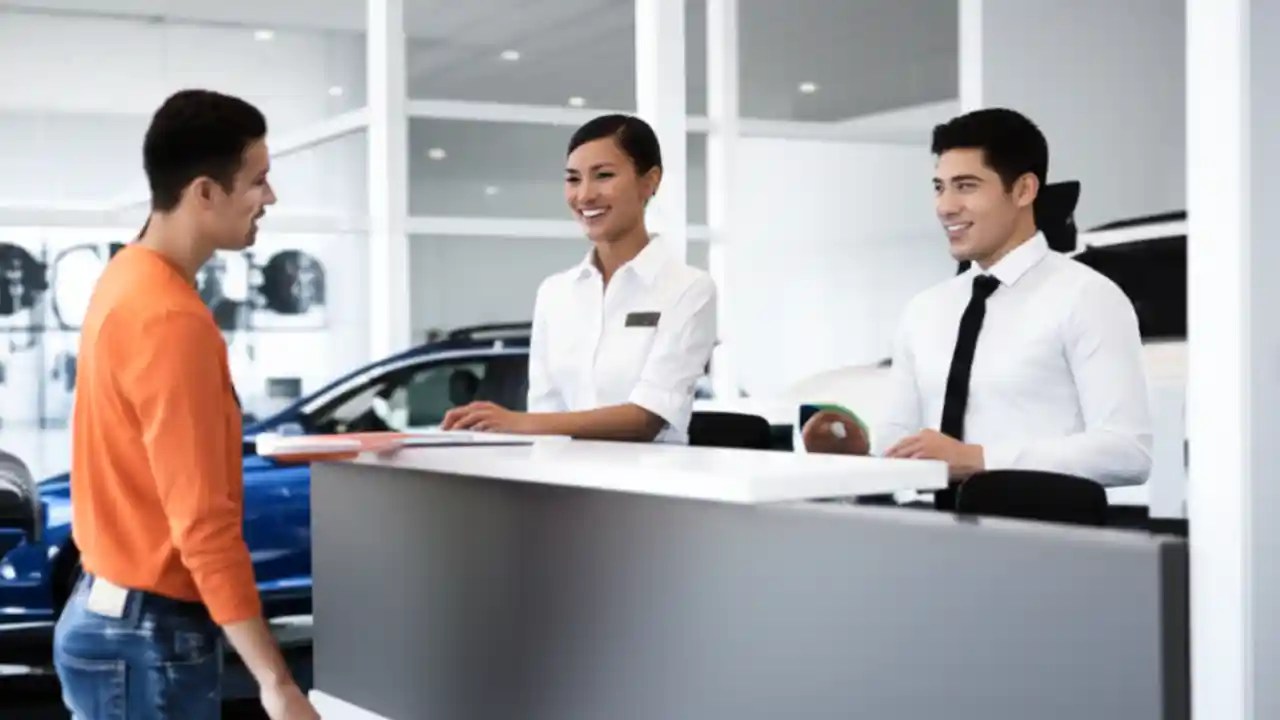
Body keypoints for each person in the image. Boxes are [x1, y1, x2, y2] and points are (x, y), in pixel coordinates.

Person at [53, 90, 320, 720]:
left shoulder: (125, 278)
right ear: (205, 192)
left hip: (106, 612)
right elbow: (202, 523)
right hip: (148, 636)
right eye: (259, 180)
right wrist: (276, 683)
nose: (270, 198)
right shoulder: (170, 319)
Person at [803, 108, 1152, 498]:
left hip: (1048, 540)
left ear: (1023, 190)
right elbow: (896, 438)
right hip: (938, 539)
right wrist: (860, 453)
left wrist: (979, 458)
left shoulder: (1087, 298)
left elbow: (1128, 452)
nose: (945, 206)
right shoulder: (925, 310)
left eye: (965, 186)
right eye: (939, 187)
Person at [442, 114, 716, 443]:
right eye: (573, 179)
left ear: (650, 181)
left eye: (603, 176)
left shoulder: (688, 289)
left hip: (649, 486)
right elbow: (546, 411)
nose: (584, 195)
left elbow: (645, 419)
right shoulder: (554, 293)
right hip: (564, 485)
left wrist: (515, 421)